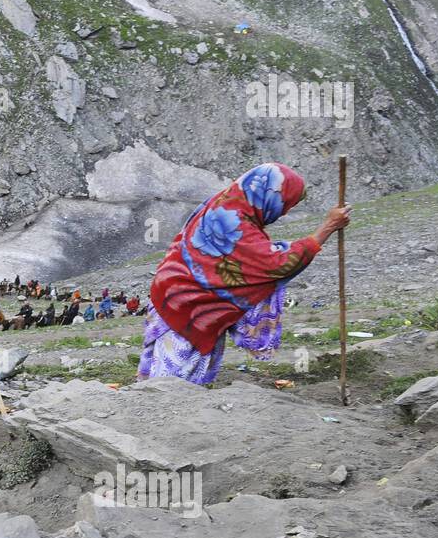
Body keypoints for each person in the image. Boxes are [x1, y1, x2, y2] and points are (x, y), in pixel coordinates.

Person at [139, 162, 351, 384]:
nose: (282, 213)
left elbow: (252, 256)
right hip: (186, 308)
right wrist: (327, 227)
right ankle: (167, 412)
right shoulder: (234, 223)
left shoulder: (227, 203)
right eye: (284, 205)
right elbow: (276, 264)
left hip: (171, 294)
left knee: (162, 372)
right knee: (172, 381)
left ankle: (154, 406)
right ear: (269, 197)